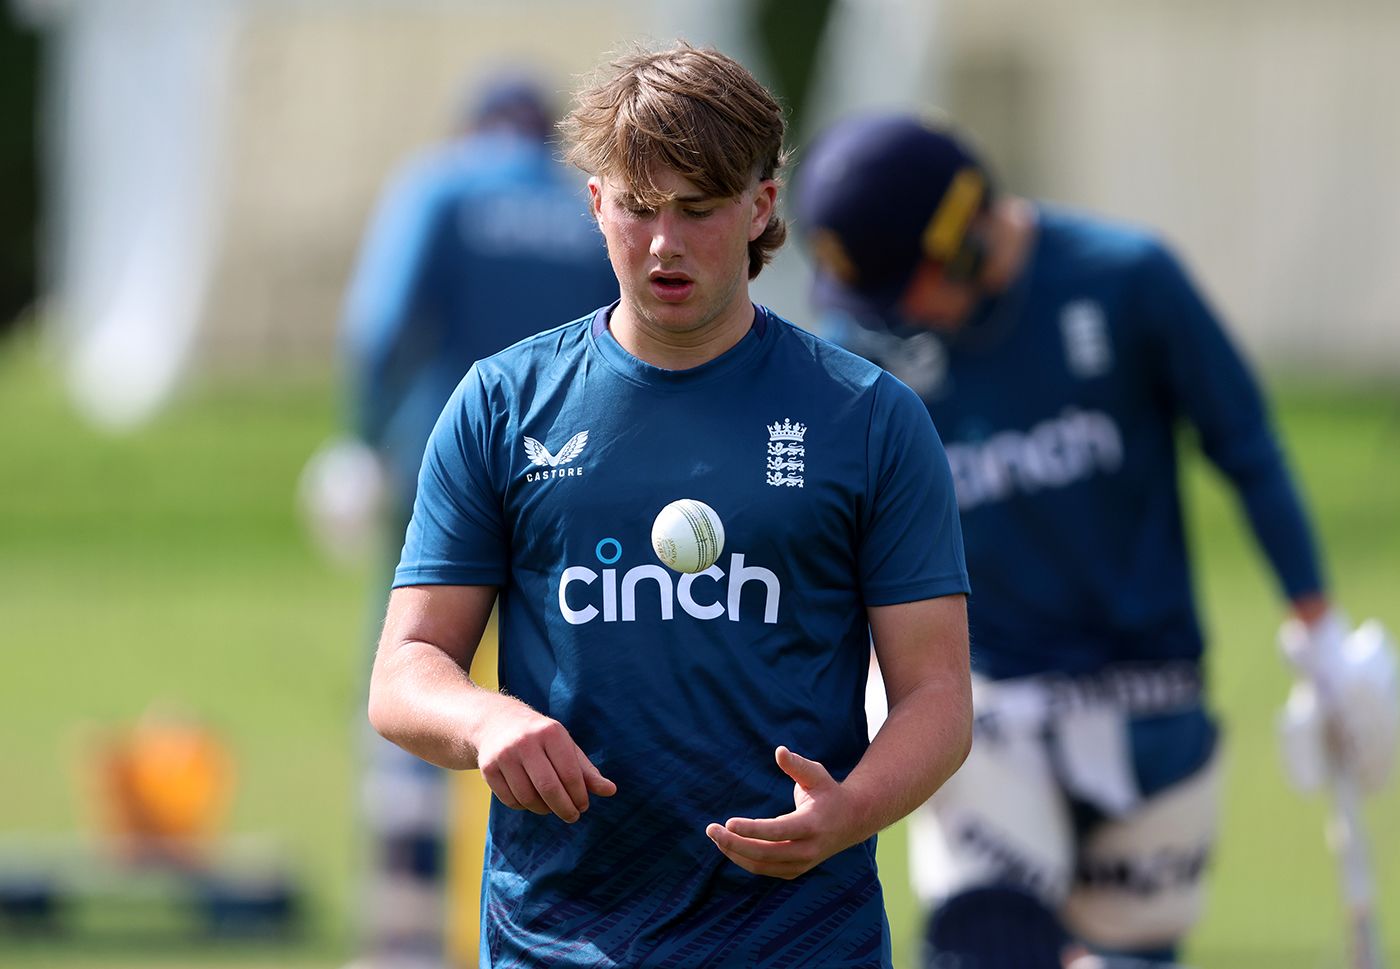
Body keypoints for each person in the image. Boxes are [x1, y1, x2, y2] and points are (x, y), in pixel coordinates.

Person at [367, 44, 973, 969]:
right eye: (639, 207)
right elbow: (406, 670)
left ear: (761, 207)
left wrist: (852, 807)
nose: (664, 243)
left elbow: (937, 695)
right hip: (557, 940)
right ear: (596, 204)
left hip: (796, 939)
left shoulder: (868, 417)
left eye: (698, 210)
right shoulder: (502, 404)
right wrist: (487, 720)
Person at [792, 113, 1398, 968]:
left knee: (1130, 956)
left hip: (1151, 698)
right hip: (989, 703)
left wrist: (1321, 633)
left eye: (909, 286)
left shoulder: (1127, 280)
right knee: (988, 943)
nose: (897, 317)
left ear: (964, 237)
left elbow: (1247, 449)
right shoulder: (876, 348)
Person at [336, 71, 619, 968]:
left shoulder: (443, 183)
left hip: (442, 476)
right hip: (576, 484)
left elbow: (379, 327)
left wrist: (359, 439)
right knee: (560, 690)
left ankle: (407, 930)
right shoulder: (589, 206)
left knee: (420, 672)